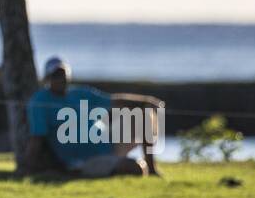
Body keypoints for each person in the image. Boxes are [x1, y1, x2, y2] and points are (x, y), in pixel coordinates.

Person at [23, 56, 164, 178]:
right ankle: (122, 165)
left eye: (63, 74)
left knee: (143, 116)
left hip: (108, 144)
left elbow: (116, 101)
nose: (61, 79)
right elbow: (36, 139)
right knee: (136, 168)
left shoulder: (80, 93)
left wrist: (146, 101)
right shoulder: (40, 101)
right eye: (56, 75)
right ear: (47, 78)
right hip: (84, 161)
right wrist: (26, 169)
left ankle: (152, 169)